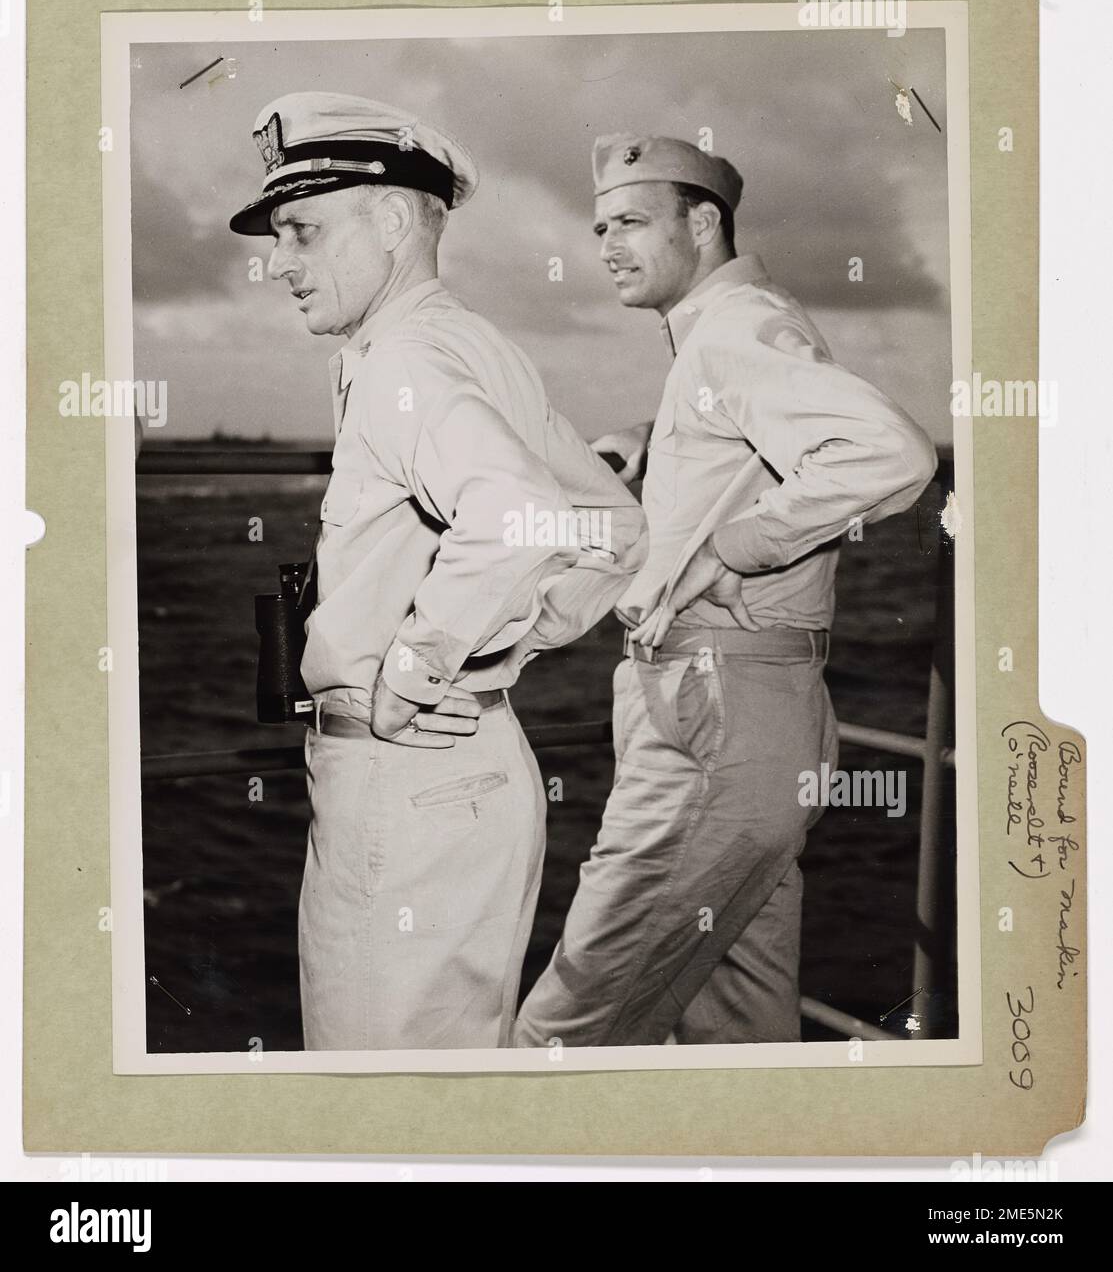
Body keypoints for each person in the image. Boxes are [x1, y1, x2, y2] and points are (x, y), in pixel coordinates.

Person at [229, 93, 645, 1050]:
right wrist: (491, 653)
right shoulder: (463, 340)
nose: (279, 263)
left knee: (380, 1113)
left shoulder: (402, 362)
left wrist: (410, 680)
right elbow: (614, 527)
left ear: (388, 217)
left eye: (302, 229)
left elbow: (506, 512)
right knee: (452, 1090)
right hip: (466, 777)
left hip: (402, 785)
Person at [514, 133, 938, 1048]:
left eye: (630, 221)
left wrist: (730, 548)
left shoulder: (734, 330)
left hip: (714, 720)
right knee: (735, 1038)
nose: (607, 247)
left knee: (564, 1034)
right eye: (598, 229)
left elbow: (891, 453)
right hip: (746, 715)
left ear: (702, 223)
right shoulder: (723, 331)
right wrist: (647, 438)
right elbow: (750, 433)